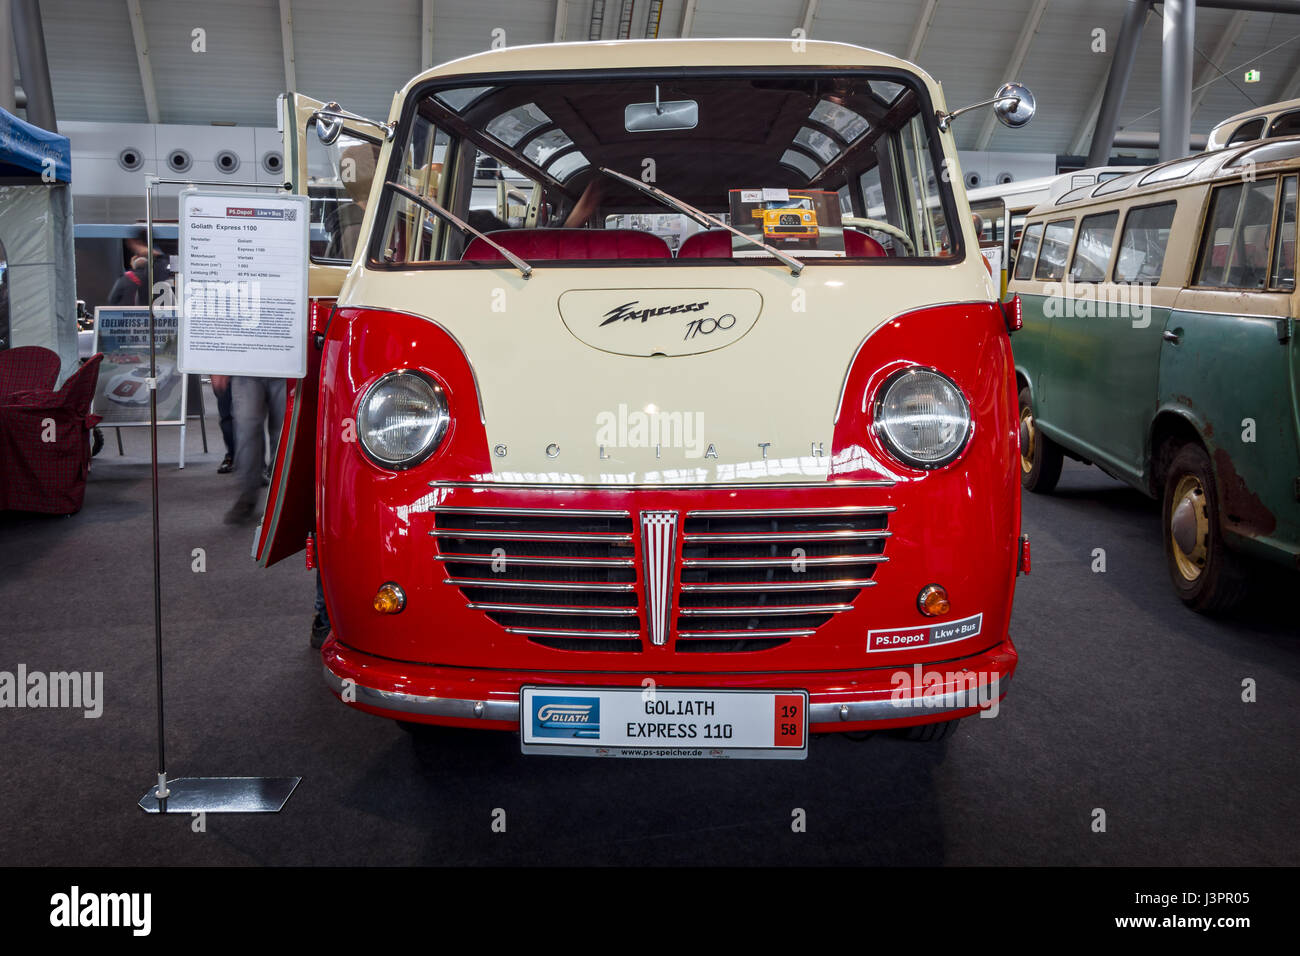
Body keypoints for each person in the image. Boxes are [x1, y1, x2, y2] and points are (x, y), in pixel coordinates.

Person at [223, 375, 285, 524]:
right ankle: (247, 496)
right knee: (246, 431)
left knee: (284, 433)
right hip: (245, 368)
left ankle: (283, 498)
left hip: (288, 366)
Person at [209, 374, 235, 473]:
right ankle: (232, 455)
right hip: (224, 366)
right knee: (226, 416)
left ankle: (257, 462)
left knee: (251, 415)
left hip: (250, 368)